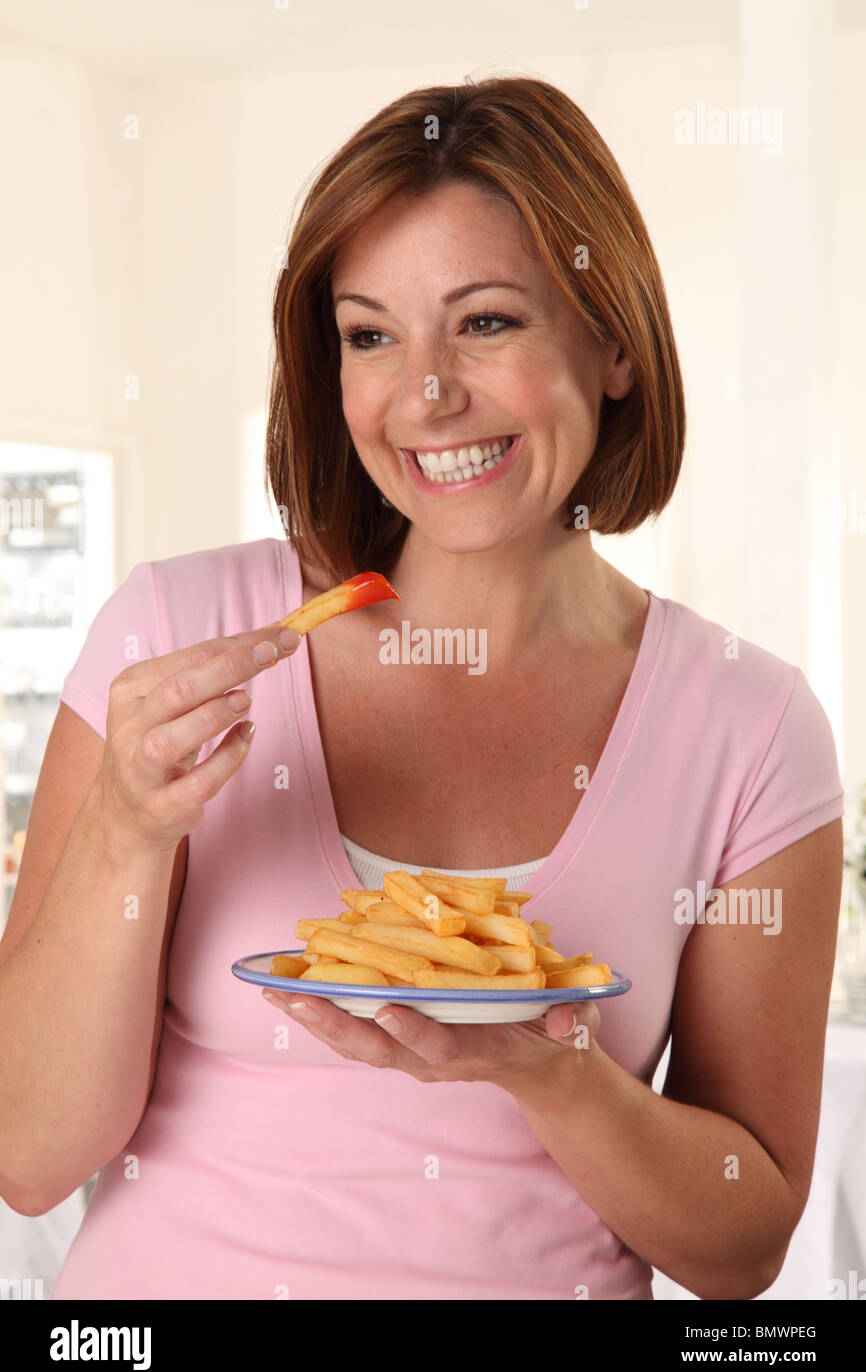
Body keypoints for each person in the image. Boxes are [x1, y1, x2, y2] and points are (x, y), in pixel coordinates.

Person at [0, 76, 844, 1301]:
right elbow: (28, 1157)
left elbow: (741, 1243)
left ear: (612, 343)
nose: (425, 392)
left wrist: (545, 1067)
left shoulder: (748, 727)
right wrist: (126, 832)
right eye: (369, 334)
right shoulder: (173, 636)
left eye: (486, 322)